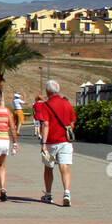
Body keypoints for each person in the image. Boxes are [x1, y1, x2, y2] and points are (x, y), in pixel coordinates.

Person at [37, 79, 77, 207]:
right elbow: (72, 123)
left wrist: (43, 144)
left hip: (51, 143)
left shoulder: (46, 105)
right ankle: (66, 193)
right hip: (65, 142)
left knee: (49, 168)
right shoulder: (67, 104)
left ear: (47, 91)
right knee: (64, 167)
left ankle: (48, 194)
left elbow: (46, 124)